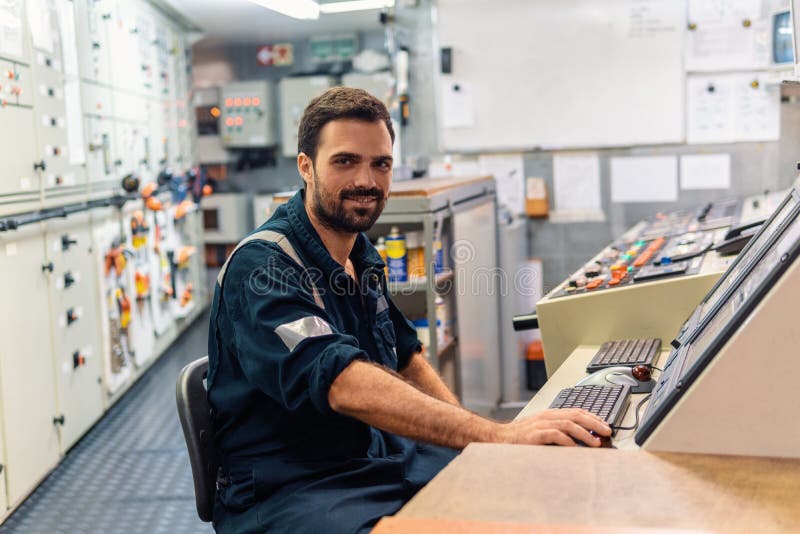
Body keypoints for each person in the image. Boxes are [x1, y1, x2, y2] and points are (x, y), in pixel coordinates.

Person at [207, 86, 610, 533]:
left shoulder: (359, 254)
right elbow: (341, 382)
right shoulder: (263, 268)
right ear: (306, 166)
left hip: (372, 460)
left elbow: (405, 356)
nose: (366, 180)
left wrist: (482, 443)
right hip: (293, 487)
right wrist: (494, 434)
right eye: (345, 161)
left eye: (380, 163)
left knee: (520, 488)